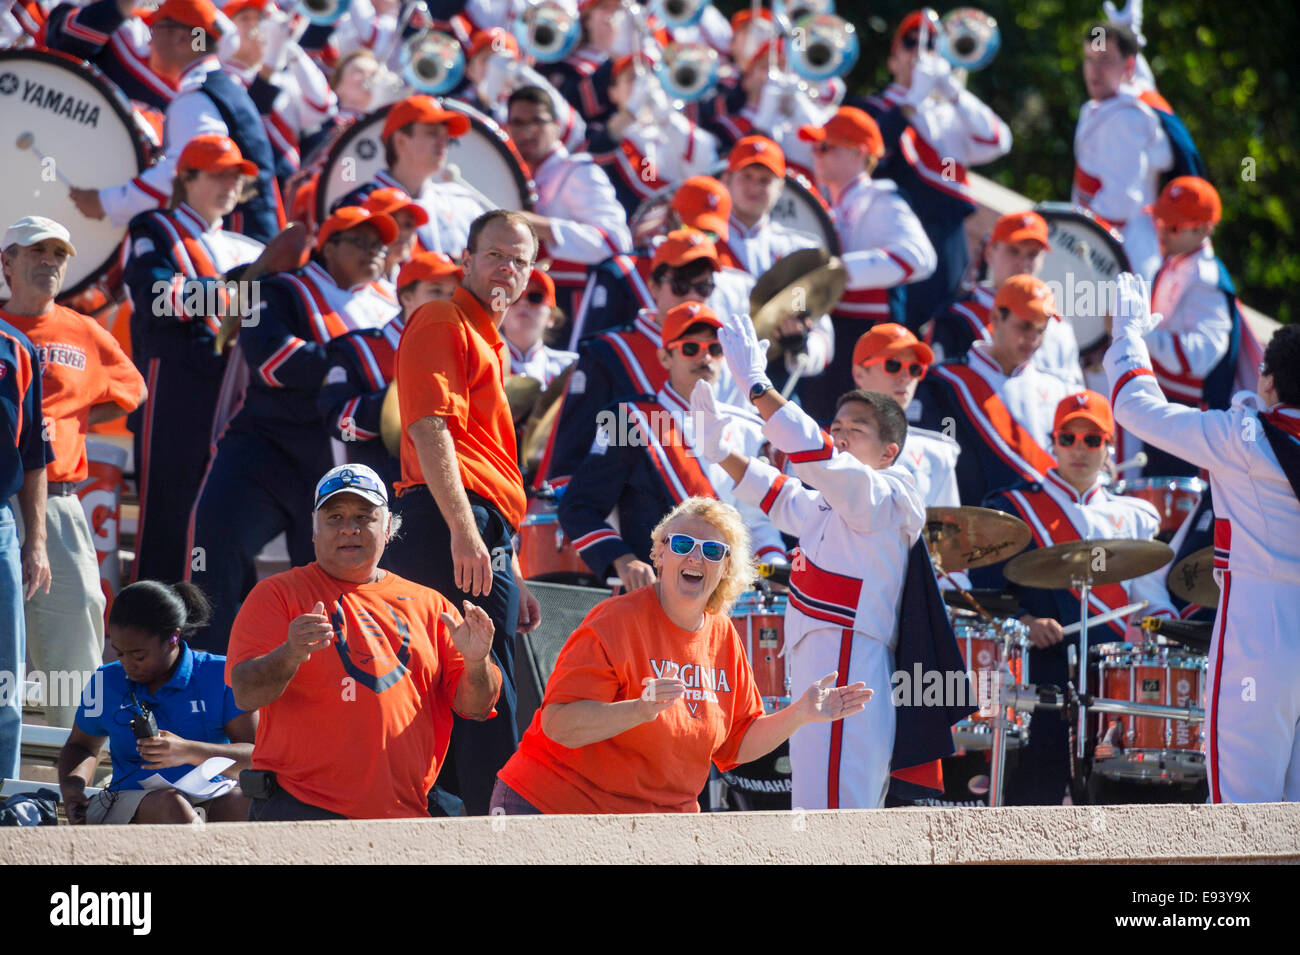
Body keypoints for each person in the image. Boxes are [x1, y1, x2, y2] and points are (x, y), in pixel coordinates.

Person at [692, 312, 942, 810]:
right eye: (839, 426)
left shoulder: (889, 492)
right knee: (817, 810)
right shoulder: (835, 501)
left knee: (837, 815)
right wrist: (721, 453)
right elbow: (782, 496)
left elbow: (822, 458)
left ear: (889, 452)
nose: (843, 435)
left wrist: (757, 386)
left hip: (848, 662)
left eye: (858, 430)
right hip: (824, 663)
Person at [492, 496, 871, 814]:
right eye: (681, 545)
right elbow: (560, 725)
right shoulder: (615, 621)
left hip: (658, 825)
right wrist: (639, 710)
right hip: (554, 808)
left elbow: (736, 744)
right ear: (659, 554)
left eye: (711, 551)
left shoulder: (722, 633)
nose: (695, 557)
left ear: (725, 569)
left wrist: (801, 713)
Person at [1105, 275, 1300, 804]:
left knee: (1244, 810)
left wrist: (1129, 337)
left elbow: (1136, 407)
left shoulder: (1245, 437)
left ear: (1268, 380)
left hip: (1260, 627)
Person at [227, 464, 502, 820]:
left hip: (404, 816)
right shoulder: (277, 595)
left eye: (363, 516)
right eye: (334, 516)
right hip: (300, 811)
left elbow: (477, 707)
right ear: (314, 530)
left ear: (388, 527)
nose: (349, 528)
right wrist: (290, 654)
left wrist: (478, 663)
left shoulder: (432, 606)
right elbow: (245, 694)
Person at [382, 209, 542, 816]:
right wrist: (466, 530)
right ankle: (473, 825)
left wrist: (511, 565)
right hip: (447, 523)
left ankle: (470, 820)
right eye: (495, 254)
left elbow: (483, 459)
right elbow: (428, 428)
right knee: (467, 677)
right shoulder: (442, 317)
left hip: (473, 525)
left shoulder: (487, 340)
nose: (507, 267)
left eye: (519, 260)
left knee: (480, 673)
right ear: (467, 261)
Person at [187, 206, 398, 649]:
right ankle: (211, 675)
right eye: (359, 241)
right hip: (264, 449)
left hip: (337, 463)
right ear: (329, 246)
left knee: (336, 582)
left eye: (379, 244)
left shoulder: (389, 303)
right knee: (214, 553)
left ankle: (338, 683)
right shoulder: (283, 290)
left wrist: (333, 369)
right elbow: (274, 361)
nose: (373, 252)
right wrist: (351, 366)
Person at [970, 390, 1178, 805]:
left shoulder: (1136, 515)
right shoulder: (1013, 508)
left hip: (1113, 680)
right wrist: (1026, 621)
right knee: (1033, 798)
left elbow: (1152, 598)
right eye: (1068, 438)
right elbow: (985, 594)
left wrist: (1162, 629)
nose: (1078, 449)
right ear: (1053, 443)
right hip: (1037, 674)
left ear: (1109, 448)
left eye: (1092, 439)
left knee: (1112, 800)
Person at [124, 135, 307, 584]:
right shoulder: (154, 227)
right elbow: (155, 298)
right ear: (186, 177)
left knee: (218, 517)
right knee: (169, 512)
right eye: (218, 173)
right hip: (174, 388)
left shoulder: (244, 245)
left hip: (232, 394)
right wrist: (241, 291)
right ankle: (155, 630)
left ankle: (213, 629)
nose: (230, 183)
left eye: (236, 175)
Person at [1, 216, 147, 728]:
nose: (48, 262)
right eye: (35, 252)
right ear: (7, 263)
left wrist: (71, 417)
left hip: (59, 498)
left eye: (58, 254)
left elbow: (133, 392)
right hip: (2, 496)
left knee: (78, 614)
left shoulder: (83, 329)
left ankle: (76, 755)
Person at [558, 302, 787, 588]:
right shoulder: (628, 419)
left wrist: (776, 569)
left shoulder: (748, 428)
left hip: (728, 596)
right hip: (655, 594)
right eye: (690, 348)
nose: (705, 358)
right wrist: (623, 560)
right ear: (665, 357)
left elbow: (756, 523)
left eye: (714, 350)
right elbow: (578, 507)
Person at [65, 0, 285, 244]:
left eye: (154, 31)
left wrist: (105, 202)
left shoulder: (197, 99)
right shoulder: (217, 88)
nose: (149, 42)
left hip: (240, 249)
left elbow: (181, 171)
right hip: (252, 240)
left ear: (182, 38)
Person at [854, 9, 1012, 330]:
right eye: (911, 43)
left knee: (944, 328)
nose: (921, 53)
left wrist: (951, 89)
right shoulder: (871, 108)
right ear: (892, 60)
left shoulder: (951, 117)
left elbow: (998, 140)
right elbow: (872, 154)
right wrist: (912, 100)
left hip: (950, 236)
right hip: (897, 231)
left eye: (933, 46)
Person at [540, 229, 723, 493]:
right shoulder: (608, 352)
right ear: (653, 287)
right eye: (681, 285)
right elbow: (573, 449)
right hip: (630, 512)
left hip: (710, 502)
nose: (692, 296)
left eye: (703, 287)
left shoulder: (723, 350)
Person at [58, 580, 255, 824]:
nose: (128, 664)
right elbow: (81, 747)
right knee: (171, 804)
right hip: (129, 802)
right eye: (119, 653)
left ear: (173, 637)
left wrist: (189, 751)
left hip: (210, 794)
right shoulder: (106, 680)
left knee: (242, 803)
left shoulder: (219, 674)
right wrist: (72, 789)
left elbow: (255, 755)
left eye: (139, 655)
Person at [796, 105, 937, 423]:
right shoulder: (834, 201)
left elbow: (920, 257)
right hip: (834, 331)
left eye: (826, 146)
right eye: (816, 147)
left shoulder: (882, 200)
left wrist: (837, 273)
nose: (816, 154)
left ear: (859, 153)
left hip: (865, 335)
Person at [1118, 177, 1247, 477]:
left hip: (1186, 420)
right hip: (1166, 407)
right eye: (1161, 219)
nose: (1162, 229)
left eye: (1174, 225)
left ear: (1204, 230)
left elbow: (1199, 357)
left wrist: (1140, 332)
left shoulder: (1207, 281)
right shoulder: (1180, 260)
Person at [913, 274, 1071, 506]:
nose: (1033, 338)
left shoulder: (1058, 388)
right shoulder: (942, 384)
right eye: (1025, 325)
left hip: (1039, 523)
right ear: (996, 318)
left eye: (1041, 329)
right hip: (971, 521)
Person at [318, 250, 462, 490]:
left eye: (451, 294)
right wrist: (406, 393)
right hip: (378, 496)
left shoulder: (462, 354)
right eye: (435, 292)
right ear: (407, 297)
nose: (446, 303)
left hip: (445, 490)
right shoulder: (358, 349)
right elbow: (342, 426)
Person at [506, 85, 632, 322]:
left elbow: (616, 241)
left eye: (537, 121)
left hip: (576, 310)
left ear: (557, 126)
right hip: (527, 311)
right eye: (518, 123)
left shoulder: (579, 172)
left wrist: (538, 225)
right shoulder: (512, 176)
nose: (527, 131)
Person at [923, 210, 1084, 389]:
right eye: (1013, 251)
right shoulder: (956, 317)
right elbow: (940, 389)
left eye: (1032, 255)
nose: (1023, 263)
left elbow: (1073, 393)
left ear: (1043, 260)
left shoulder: (1059, 327)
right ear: (990, 253)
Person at [0, 255, 52, 781]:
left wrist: (35, 542)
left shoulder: (16, 348)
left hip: (0, 521)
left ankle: (6, 793)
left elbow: (35, 456)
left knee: (5, 675)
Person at [1072, 21, 1173, 280]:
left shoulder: (1125, 119)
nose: (1094, 70)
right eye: (1089, 59)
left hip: (1117, 258)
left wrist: (1074, 237)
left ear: (1128, 66)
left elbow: (1119, 203)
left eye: (1104, 60)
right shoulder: (1112, 106)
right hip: (1112, 252)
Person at [333, 94, 491, 257]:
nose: (443, 142)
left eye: (445, 136)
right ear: (400, 141)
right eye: (432, 133)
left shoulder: (462, 204)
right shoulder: (359, 206)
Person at [849, 324, 959, 510]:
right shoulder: (822, 442)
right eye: (893, 365)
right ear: (859, 374)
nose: (906, 377)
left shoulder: (938, 454)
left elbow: (948, 532)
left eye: (915, 369)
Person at [504, 269, 577, 389]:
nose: (523, 302)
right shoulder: (481, 365)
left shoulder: (571, 367)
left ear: (551, 318)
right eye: (515, 296)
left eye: (536, 297)